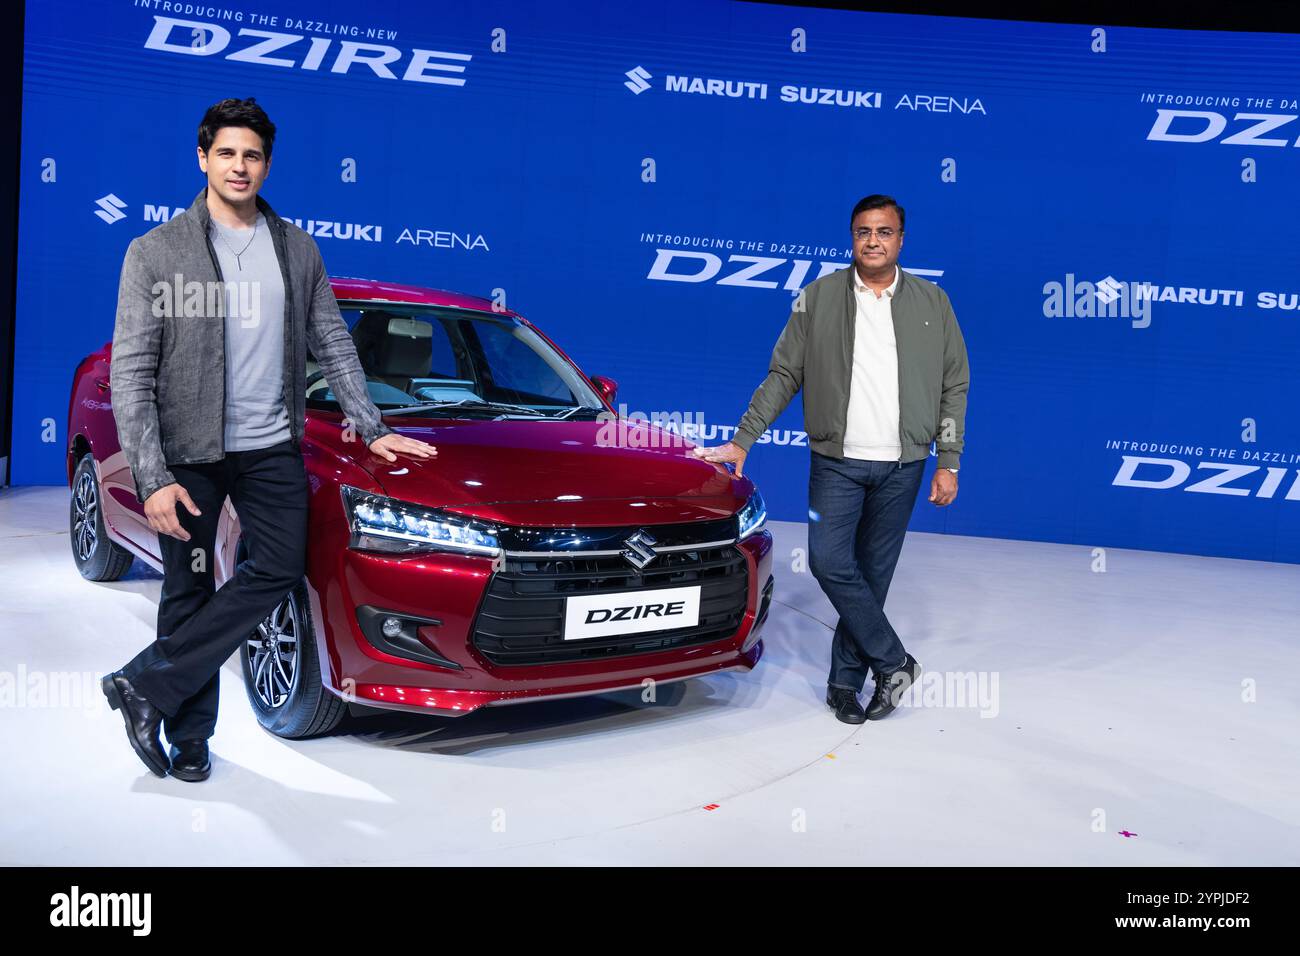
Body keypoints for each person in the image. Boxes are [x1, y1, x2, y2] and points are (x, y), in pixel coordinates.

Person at [100, 97, 437, 780]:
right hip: (189, 456)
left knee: (278, 569)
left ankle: (144, 683)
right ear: (202, 158)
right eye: (226, 152)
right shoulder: (155, 252)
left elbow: (332, 340)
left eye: (251, 155)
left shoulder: (296, 248)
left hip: (271, 447)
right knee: (190, 589)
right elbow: (131, 372)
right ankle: (190, 739)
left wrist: (371, 425)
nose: (239, 166)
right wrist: (152, 477)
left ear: (267, 164)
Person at [694, 194, 970, 724]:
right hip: (837, 462)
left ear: (900, 240)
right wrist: (744, 439)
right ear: (852, 238)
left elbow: (953, 383)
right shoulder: (817, 297)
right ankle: (895, 661)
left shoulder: (933, 302)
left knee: (873, 576)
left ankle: (844, 684)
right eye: (864, 231)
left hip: (905, 465)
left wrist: (949, 458)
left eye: (884, 232)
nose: (873, 241)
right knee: (829, 562)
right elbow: (784, 374)